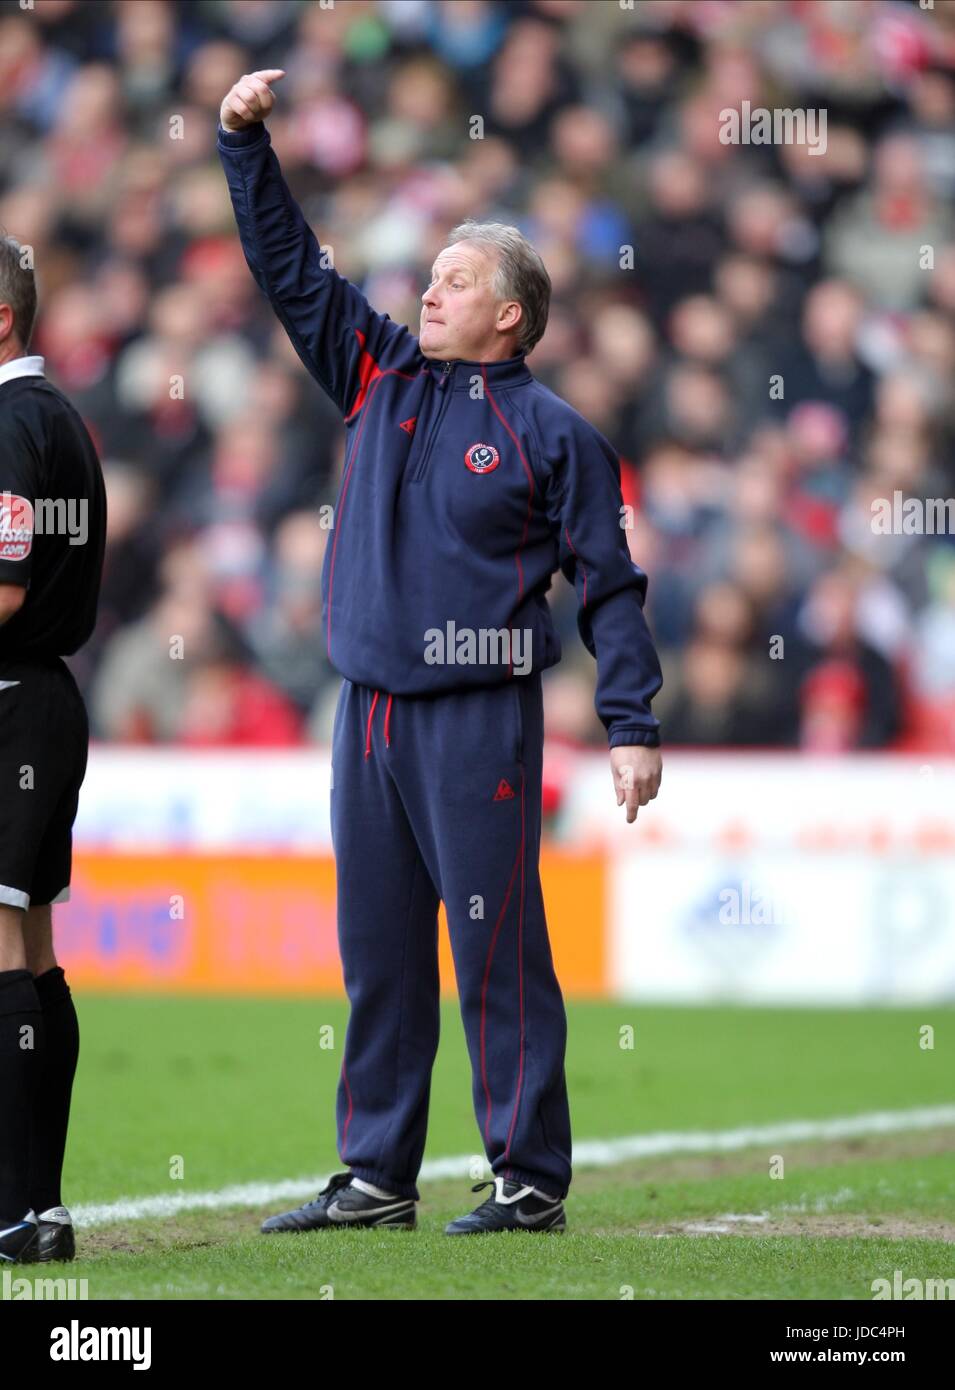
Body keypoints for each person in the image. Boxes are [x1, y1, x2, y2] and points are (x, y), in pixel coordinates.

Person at [217, 72, 663, 1235]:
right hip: (364, 709)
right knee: (377, 954)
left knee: (497, 948)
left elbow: (611, 586)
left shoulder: (557, 436)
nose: (429, 288)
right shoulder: (376, 373)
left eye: (456, 279)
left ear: (509, 313)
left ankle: (528, 1178)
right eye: (430, 275)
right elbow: (288, 269)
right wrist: (242, 147)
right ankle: (374, 1175)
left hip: (478, 718)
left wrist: (632, 724)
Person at [0, 233, 107, 1264]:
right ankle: (38, 1204)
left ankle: (19, 1205)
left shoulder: (6, 425)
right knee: (30, 948)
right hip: (43, 700)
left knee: (5, 947)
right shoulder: (59, 417)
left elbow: (4, 589)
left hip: (8, 700)